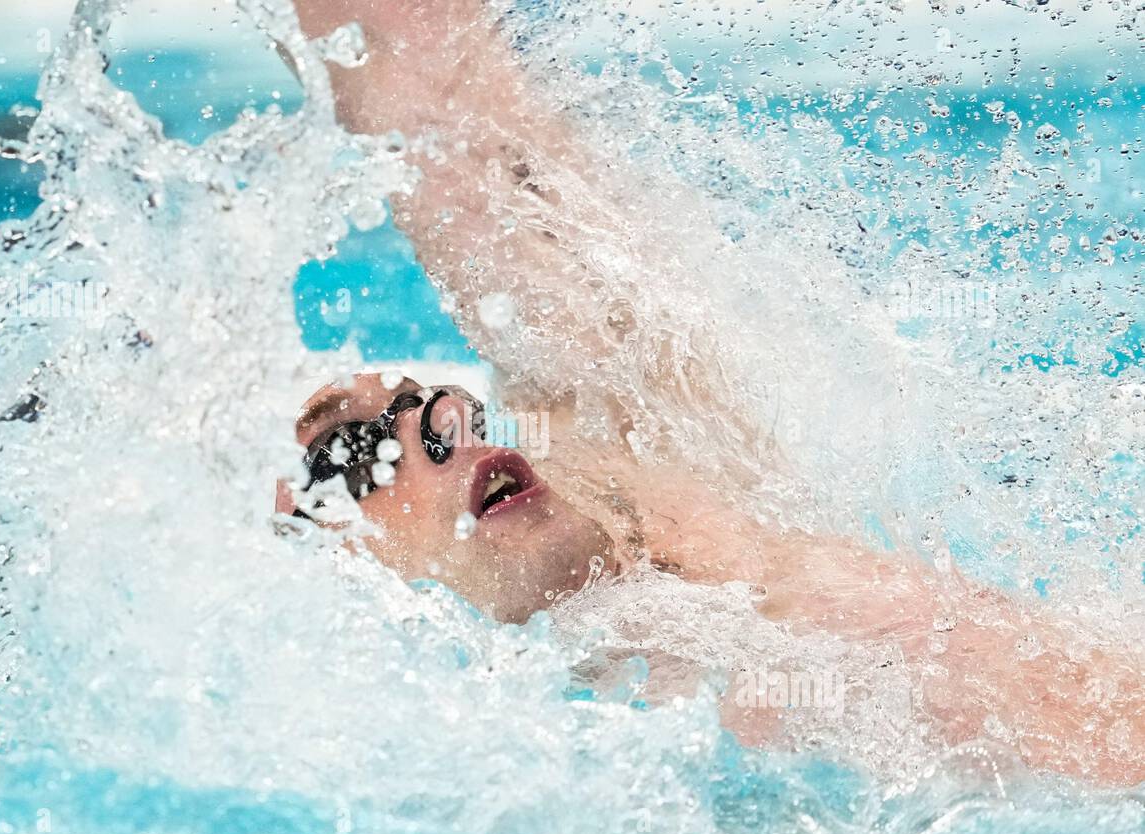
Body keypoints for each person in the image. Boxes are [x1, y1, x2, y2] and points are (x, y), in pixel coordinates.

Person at [278, 0, 1145, 785]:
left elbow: (451, 123)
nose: (443, 420)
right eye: (356, 452)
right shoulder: (521, 775)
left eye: (428, 398)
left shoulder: (640, 461)